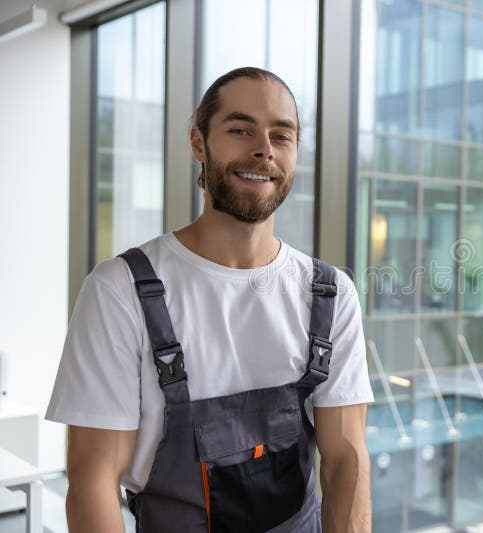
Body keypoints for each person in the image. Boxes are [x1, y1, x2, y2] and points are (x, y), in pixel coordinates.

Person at [46, 67, 374, 532]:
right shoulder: (120, 291)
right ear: (199, 143)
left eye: (281, 135)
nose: (263, 149)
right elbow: (93, 480)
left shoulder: (330, 293)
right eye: (240, 130)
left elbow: (347, 458)